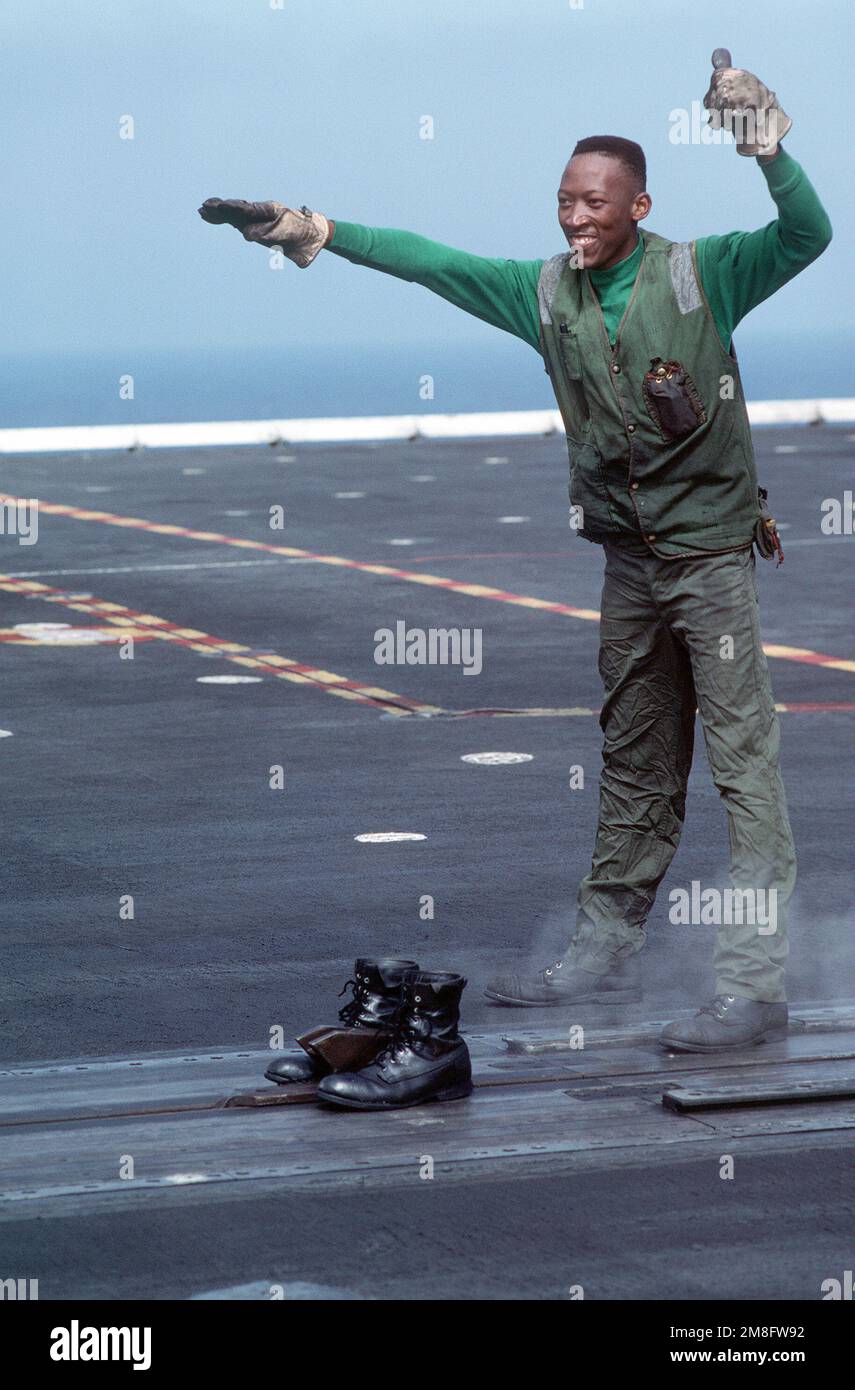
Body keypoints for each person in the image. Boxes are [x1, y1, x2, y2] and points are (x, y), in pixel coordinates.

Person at [199, 58, 832, 1054]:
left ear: (640, 205)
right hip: (630, 564)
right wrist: (318, 231)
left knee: (744, 774)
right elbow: (433, 260)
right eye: (564, 202)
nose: (574, 217)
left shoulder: (702, 273)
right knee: (634, 760)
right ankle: (601, 954)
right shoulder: (544, 295)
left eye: (594, 202)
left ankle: (753, 987)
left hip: (710, 563)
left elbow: (809, 235)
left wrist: (770, 150)